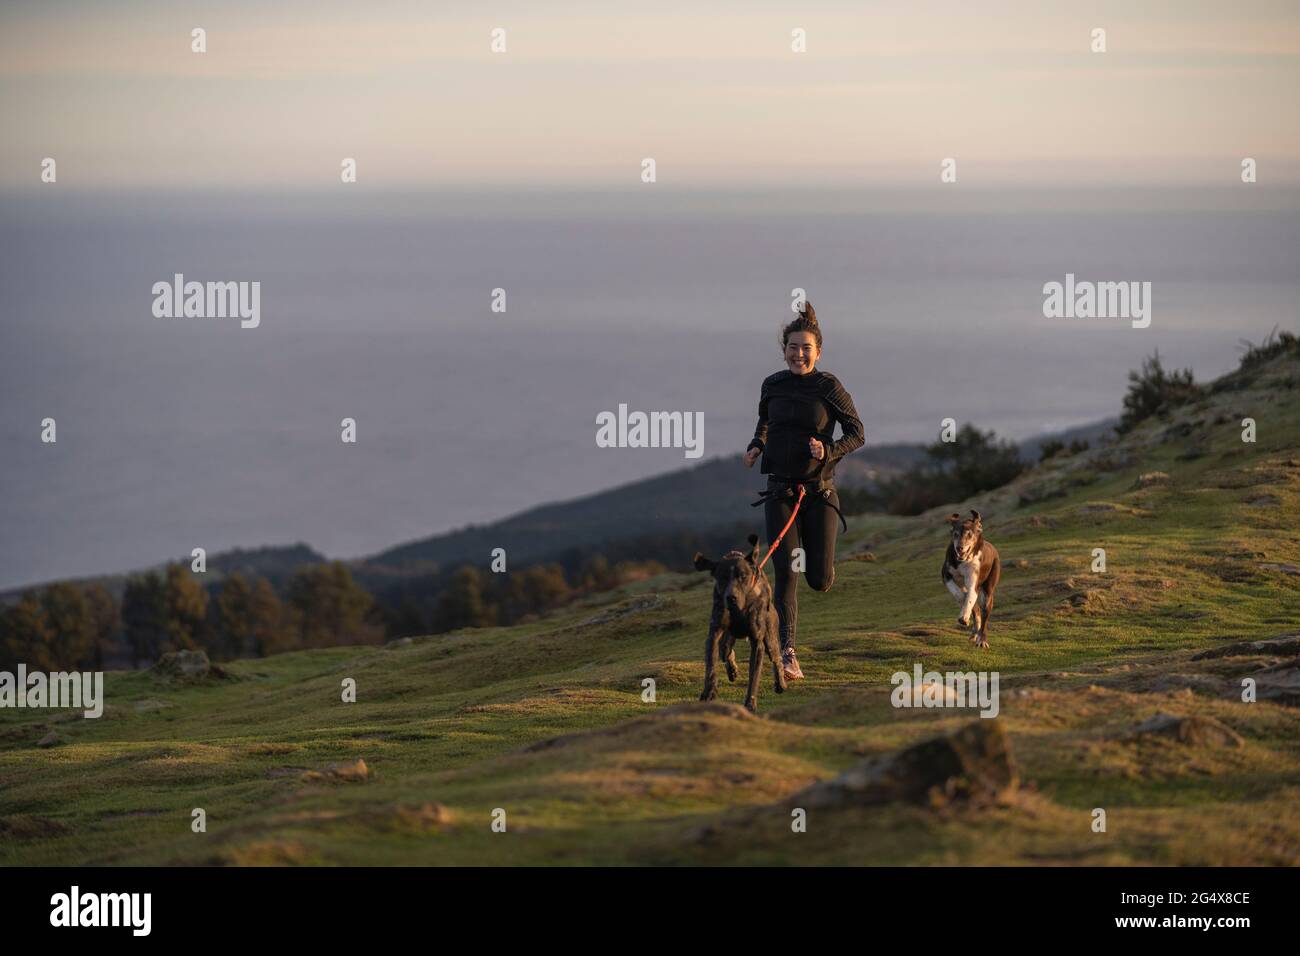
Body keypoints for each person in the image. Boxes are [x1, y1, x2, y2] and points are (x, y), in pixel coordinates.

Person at [743, 300, 864, 680]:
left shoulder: (828, 386)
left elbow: (857, 433)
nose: (798, 354)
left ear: (818, 351)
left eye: (805, 348)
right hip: (779, 492)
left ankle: (825, 569)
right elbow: (764, 422)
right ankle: (788, 654)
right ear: (785, 351)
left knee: (819, 580)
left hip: (819, 494)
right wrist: (757, 445)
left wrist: (828, 450)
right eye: (792, 348)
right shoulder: (772, 385)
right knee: (787, 574)